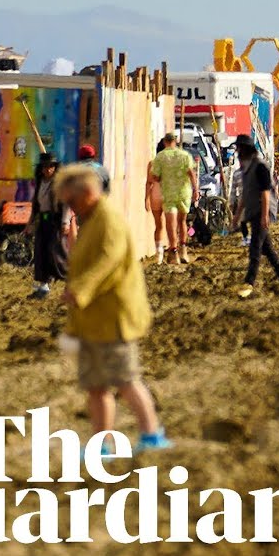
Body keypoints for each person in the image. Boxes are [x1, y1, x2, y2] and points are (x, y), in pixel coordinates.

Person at [56, 165, 171, 452]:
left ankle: (151, 435)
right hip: (92, 320)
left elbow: (108, 260)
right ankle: (102, 444)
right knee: (96, 385)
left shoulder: (108, 219)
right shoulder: (91, 219)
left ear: (89, 193)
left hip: (115, 316)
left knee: (126, 379)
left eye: (72, 201)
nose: (70, 207)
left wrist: (80, 289)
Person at [232, 135, 279, 298]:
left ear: (246, 149)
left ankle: (249, 283)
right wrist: (237, 215)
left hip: (262, 211)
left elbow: (265, 193)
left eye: (239, 148)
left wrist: (265, 216)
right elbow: (245, 195)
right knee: (267, 249)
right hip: (254, 212)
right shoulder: (246, 168)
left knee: (255, 249)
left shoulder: (260, 167)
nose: (238, 152)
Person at [149, 133, 199, 264]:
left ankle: (173, 251)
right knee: (182, 222)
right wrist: (196, 190)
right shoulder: (185, 155)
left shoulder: (160, 157)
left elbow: (155, 177)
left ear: (165, 142)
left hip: (169, 194)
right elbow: (191, 173)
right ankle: (183, 249)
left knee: (170, 223)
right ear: (175, 141)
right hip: (184, 193)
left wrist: (165, 176)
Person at [27, 153, 70, 299]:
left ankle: (71, 281)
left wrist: (65, 222)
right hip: (43, 221)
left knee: (56, 253)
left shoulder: (59, 183)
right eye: (45, 166)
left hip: (55, 222)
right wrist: (30, 222)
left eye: (51, 166)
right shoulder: (40, 182)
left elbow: (65, 204)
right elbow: (36, 205)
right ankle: (43, 287)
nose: (48, 169)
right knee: (40, 252)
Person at [144, 138, 166, 263]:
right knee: (170, 224)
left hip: (155, 196)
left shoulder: (152, 163)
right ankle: (171, 250)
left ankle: (159, 254)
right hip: (169, 196)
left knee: (159, 226)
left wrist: (146, 198)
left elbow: (148, 183)